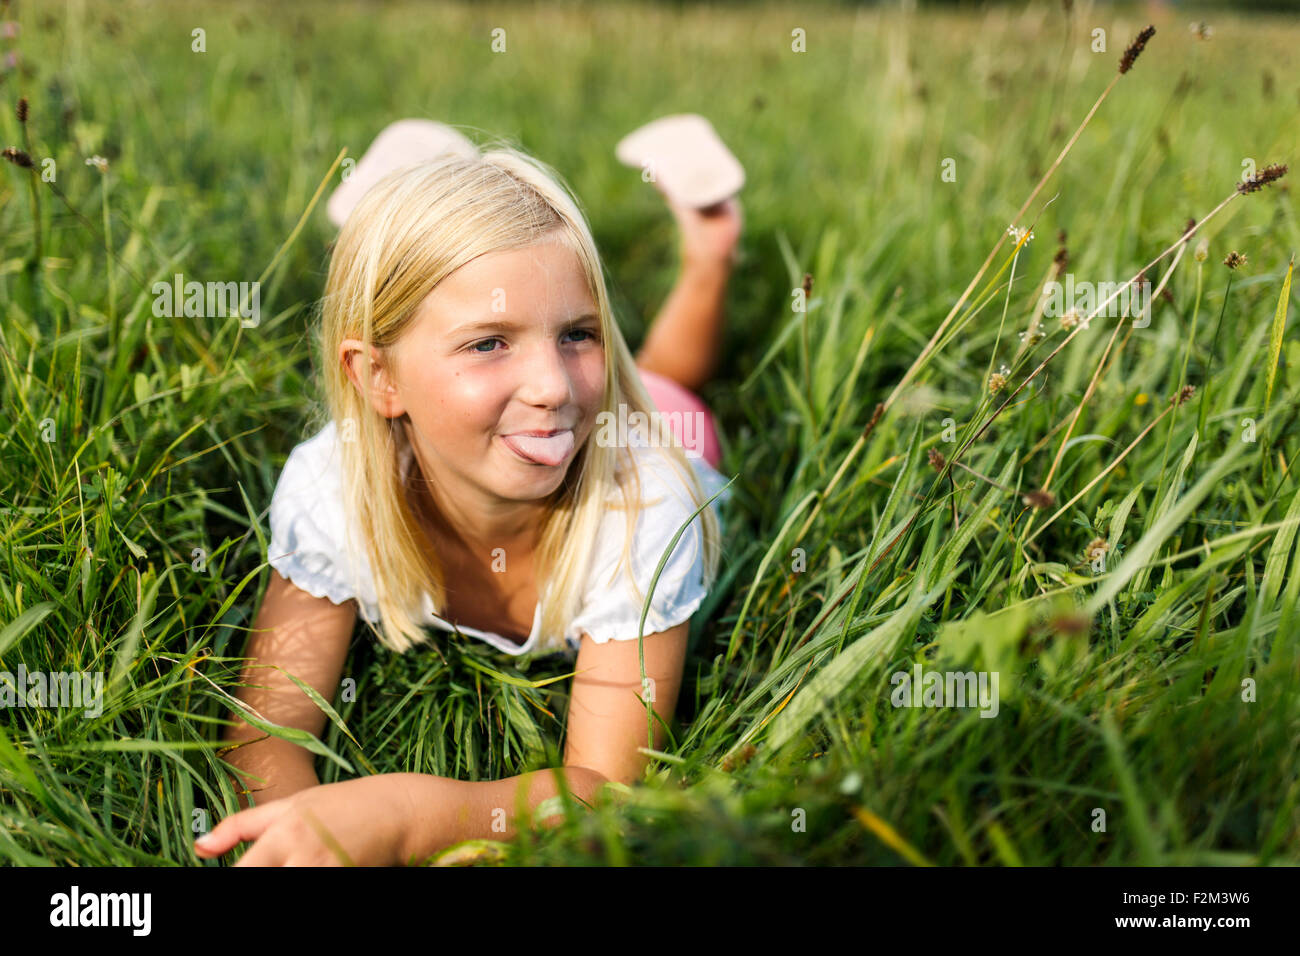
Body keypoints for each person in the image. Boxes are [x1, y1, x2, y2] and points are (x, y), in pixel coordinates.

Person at [195, 142, 743, 865]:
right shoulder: (335, 489)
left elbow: (608, 788)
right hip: (527, 429)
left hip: (662, 429)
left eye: (579, 332)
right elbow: (266, 732)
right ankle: (419, 179)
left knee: (666, 382)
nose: (552, 383)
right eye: (489, 343)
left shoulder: (644, 508)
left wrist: (409, 817)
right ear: (378, 379)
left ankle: (709, 256)